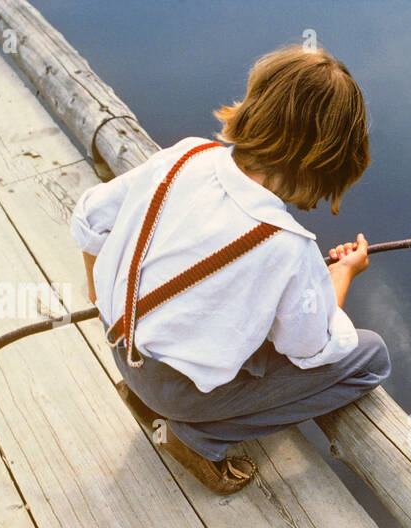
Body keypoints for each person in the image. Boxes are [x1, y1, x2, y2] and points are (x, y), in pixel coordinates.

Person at [70, 46, 388, 494]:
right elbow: (311, 350)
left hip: (121, 349)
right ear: (327, 162)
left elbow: (88, 220)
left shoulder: (185, 156)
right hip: (175, 392)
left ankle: (155, 402)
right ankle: (198, 434)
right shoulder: (288, 246)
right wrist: (343, 275)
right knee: (370, 357)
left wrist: (96, 294)